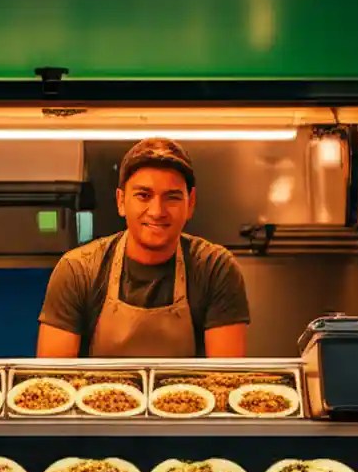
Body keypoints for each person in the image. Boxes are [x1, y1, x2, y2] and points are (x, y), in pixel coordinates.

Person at [36, 137, 250, 358]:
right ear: (121, 201)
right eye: (143, 196)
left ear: (191, 203)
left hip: (193, 393)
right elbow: (55, 380)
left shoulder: (215, 269)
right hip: (93, 393)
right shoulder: (79, 270)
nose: (157, 211)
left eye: (172, 197)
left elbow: (226, 379)